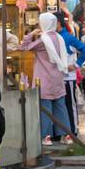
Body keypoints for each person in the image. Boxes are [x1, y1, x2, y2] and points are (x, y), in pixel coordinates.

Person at [22, 13, 73, 145]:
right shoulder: (59, 38)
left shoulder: (43, 40)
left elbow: (24, 47)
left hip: (44, 80)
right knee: (60, 107)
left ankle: (46, 137)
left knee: (45, 109)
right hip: (58, 78)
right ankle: (65, 136)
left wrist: (31, 34)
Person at [56, 12, 85, 137]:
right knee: (61, 105)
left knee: (69, 103)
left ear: (58, 23)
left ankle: (73, 130)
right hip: (56, 77)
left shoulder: (68, 37)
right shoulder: (54, 36)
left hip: (68, 78)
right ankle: (64, 131)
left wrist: (76, 65)